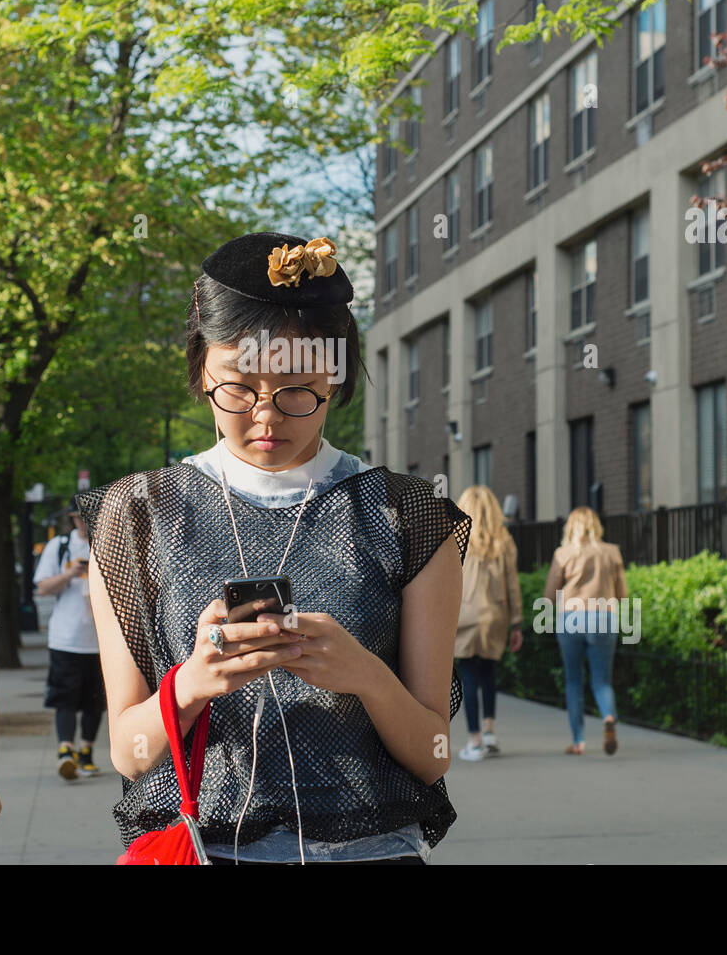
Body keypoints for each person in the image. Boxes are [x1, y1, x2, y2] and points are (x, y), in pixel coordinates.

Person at [78, 231, 471, 864]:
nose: (266, 418)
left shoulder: (408, 516)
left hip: (371, 853)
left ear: (335, 376)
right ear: (200, 367)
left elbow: (432, 755)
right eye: (236, 386)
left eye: (296, 390)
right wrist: (192, 684)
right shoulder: (138, 516)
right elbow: (128, 752)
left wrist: (364, 675)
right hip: (212, 852)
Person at [543, 506, 627, 756]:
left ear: (571, 527)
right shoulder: (612, 552)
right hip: (603, 616)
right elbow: (622, 595)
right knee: (602, 680)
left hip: (571, 618)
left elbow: (548, 595)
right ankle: (609, 717)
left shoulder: (564, 553)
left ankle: (579, 741)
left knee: (573, 680)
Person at [33, 503, 103, 779]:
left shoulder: (107, 543)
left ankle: (86, 752)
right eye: (79, 519)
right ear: (73, 520)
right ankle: (66, 751)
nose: (84, 524)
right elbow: (41, 587)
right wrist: (70, 574)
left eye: (89, 518)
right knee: (65, 697)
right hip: (65, 637)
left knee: (95, 700)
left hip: (100, 640)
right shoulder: (59, 546)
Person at [453, 485, 523, 761]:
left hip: (465, 615)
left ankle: (474, 741)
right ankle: (491, 732)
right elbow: (512, 585)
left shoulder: (454, 535)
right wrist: (517, 622)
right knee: (489, 672)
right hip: (496, 615)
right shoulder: (504, 540)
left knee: (468, 675)